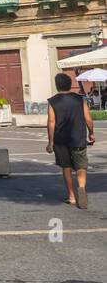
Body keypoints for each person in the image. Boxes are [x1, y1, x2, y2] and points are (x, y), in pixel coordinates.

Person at [48, 73, 94, 209]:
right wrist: (91, 133)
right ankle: (81, 187)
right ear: (69, 84)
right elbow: (88, 119)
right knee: (81, 166)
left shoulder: (53, 101)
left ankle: (72, 196)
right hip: (78, 137)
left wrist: (50, 142)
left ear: (57, 86)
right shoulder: (80, 99)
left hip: (60, 140)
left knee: (66, 167)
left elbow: (51, 121)